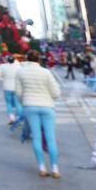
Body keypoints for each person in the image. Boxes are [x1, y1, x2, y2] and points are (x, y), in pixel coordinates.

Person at [15, 49, 62, 178]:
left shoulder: (20, 72)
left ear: (26, 58)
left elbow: (18, 93)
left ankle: (42, 167)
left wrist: (25, 102)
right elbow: (56, 93)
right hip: (47, 106)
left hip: (30, 106)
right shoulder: (46, 72)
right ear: (39, 59)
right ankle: (55, 168)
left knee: (36, 137)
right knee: (50, 138)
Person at [1, 53, 20, 125]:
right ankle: (19, 117)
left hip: (7, 87)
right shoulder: (18, 67)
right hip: (16, 87)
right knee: (18, 103)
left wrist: (4, 80)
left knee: (9, 103)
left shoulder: (3, 67)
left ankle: (12, 117)